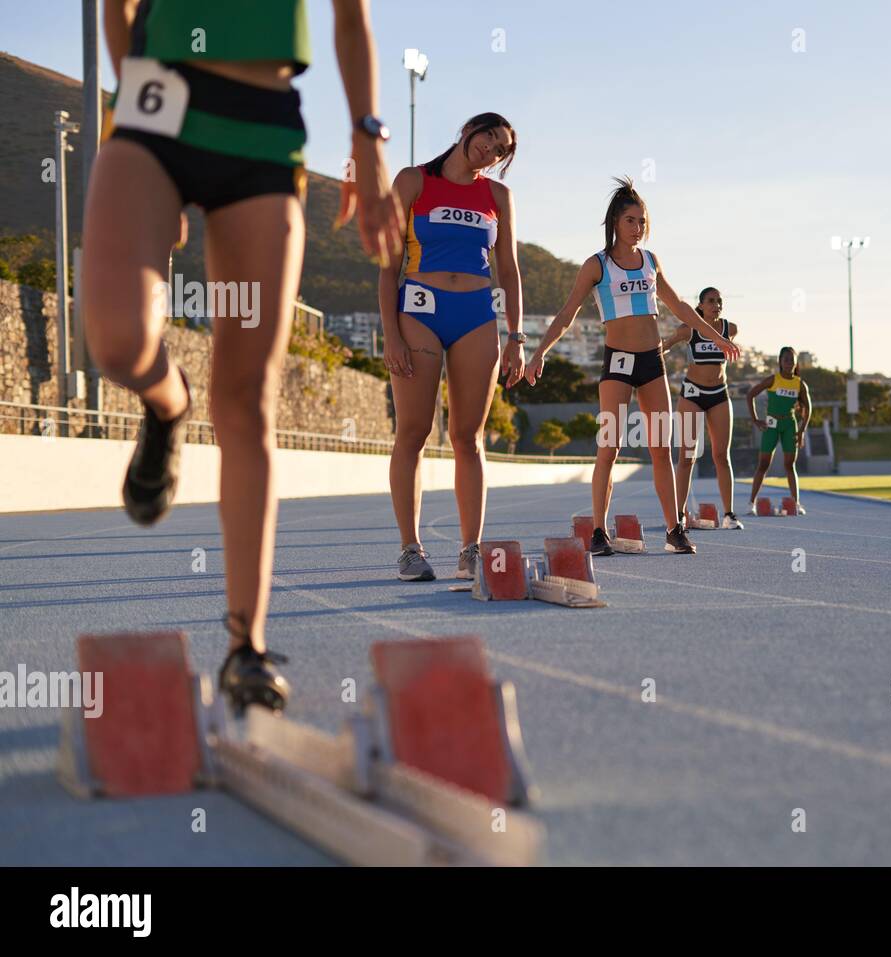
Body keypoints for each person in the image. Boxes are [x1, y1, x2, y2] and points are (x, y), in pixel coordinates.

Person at [83, 0, 404, 713]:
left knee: (248, 396)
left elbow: (351, 18)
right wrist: (135, 105)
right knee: (118, 340)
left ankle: (245, 646)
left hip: (260, 128)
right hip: (154, 108)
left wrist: (370, 145)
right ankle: (169, 402)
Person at [523, 177, 739, 554]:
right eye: (630, 220)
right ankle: (599, 532)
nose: (638, 228)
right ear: (615, 222)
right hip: (618, 364)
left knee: (660, 449)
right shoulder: (598, 265)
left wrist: (716, 337)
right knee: (610, 447)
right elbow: (567, 313)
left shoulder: (652, 261)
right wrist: (540, 352)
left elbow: (681, 308)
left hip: (652, 362)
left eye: (642, 221)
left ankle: (674, 530)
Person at [378, 113, 522, 582]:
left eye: (501, 150)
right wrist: (391, 334)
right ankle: (410, 549)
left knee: (469, 437)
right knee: (414, 432)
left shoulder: (497, 196)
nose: (490, 151)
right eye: (488, 138)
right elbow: (387, 265)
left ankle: (470, 549)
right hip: (418, 311)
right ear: (467, 132)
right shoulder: (413, 181)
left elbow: (510, 271)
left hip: (477, 316)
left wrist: (517, 337)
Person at [661, 287, 743, 529]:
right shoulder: (689, 329)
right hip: (692, 395)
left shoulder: (731, 329)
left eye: (719, 301)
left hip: (719, 394)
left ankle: (729, 515)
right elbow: (665, 345)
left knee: (721, 456)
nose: (716, 305)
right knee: (687, 456)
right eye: (711, 301)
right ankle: (679, 514)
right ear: (701, 305)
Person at [746, 347, 811, 515]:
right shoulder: (773, 380)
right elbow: (750, 395)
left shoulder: (799, 384)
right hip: (771, 425)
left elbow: (808, 408)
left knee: (790, 465)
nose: (789, 362)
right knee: (763, 465)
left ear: (796, 363)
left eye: (792, 360)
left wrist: (802, 430)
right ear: (780, 362)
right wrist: (755, 419)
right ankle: (751, 503)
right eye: (786, 359)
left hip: (789, 425)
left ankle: (796, 503)